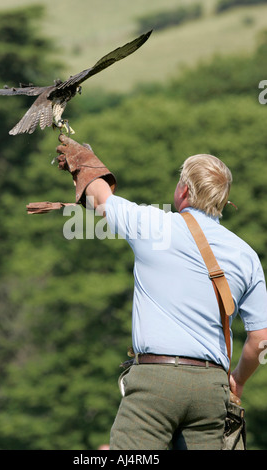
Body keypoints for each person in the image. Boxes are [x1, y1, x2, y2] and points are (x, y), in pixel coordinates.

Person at [55, 136, 267, 450]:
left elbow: (99, 198)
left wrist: (85, 160)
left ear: (183, 190)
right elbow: (261, 339)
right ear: (222, 201)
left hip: (156, 383)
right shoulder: (246, 255)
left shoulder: (153, 225)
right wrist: (238, 380)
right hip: (212, 390)